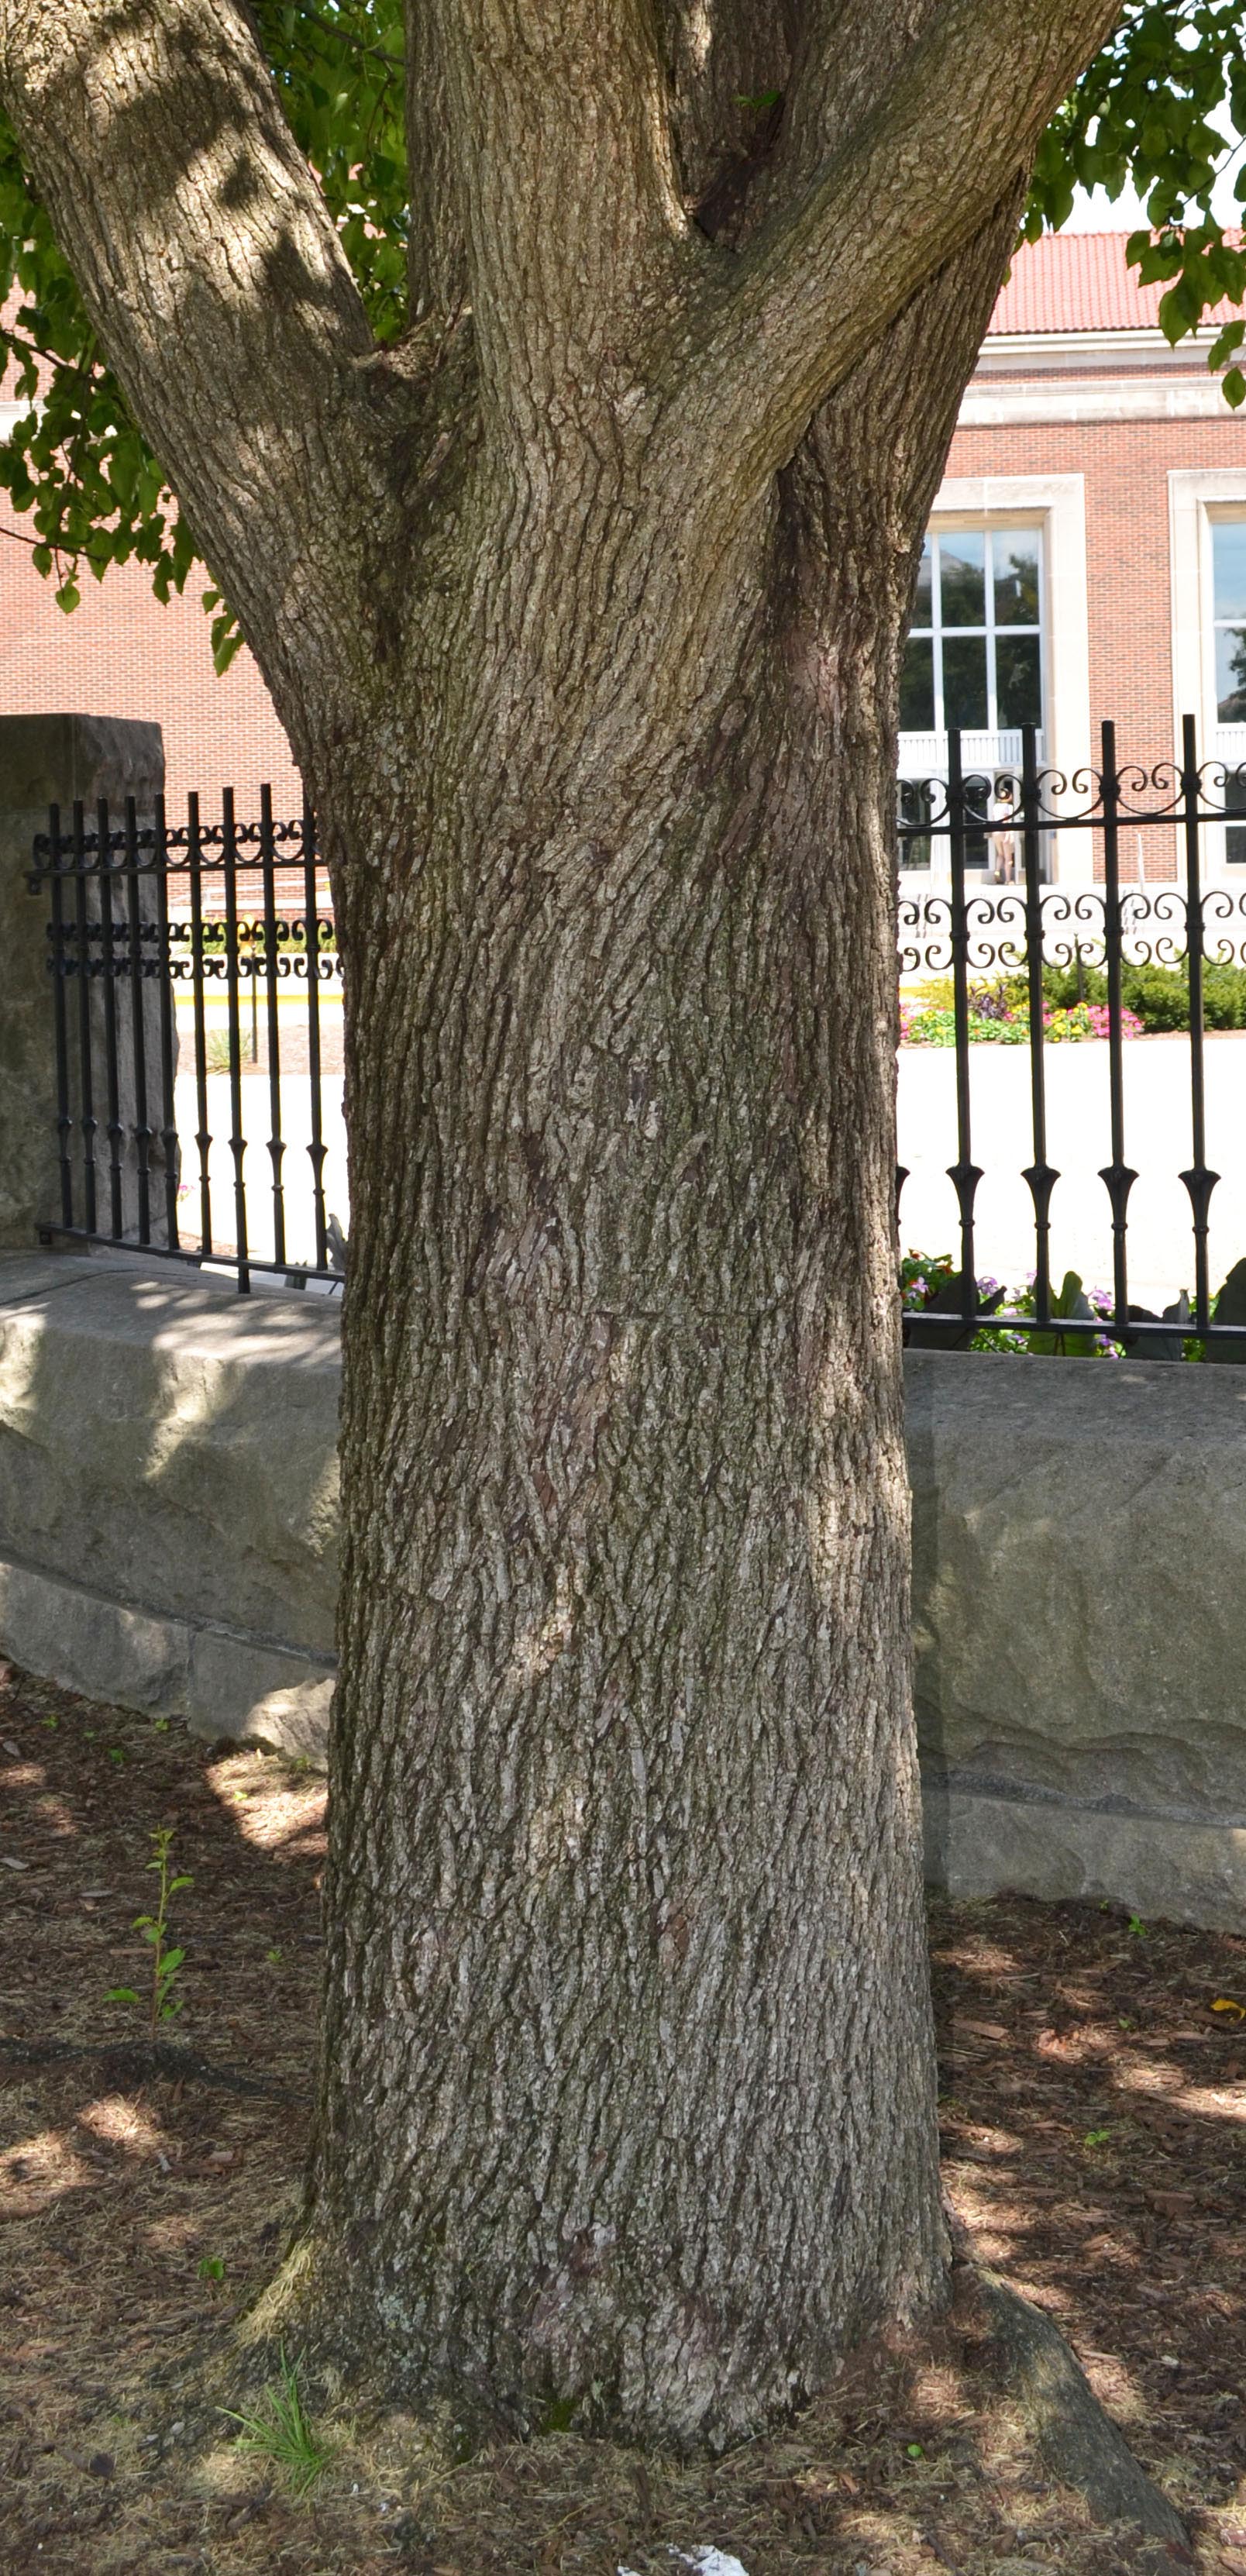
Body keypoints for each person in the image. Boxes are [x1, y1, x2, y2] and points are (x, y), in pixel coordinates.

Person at [990, 777, 1017, 883]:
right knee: (1008, 858)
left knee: (1000, 854)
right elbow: (1006, 820)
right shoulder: (1008, 807)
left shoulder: (995, 806)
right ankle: (1008, 879)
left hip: (995, 832)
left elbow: (994, 819)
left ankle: (997, 871)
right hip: (1004, 832)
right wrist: (1008, 835)